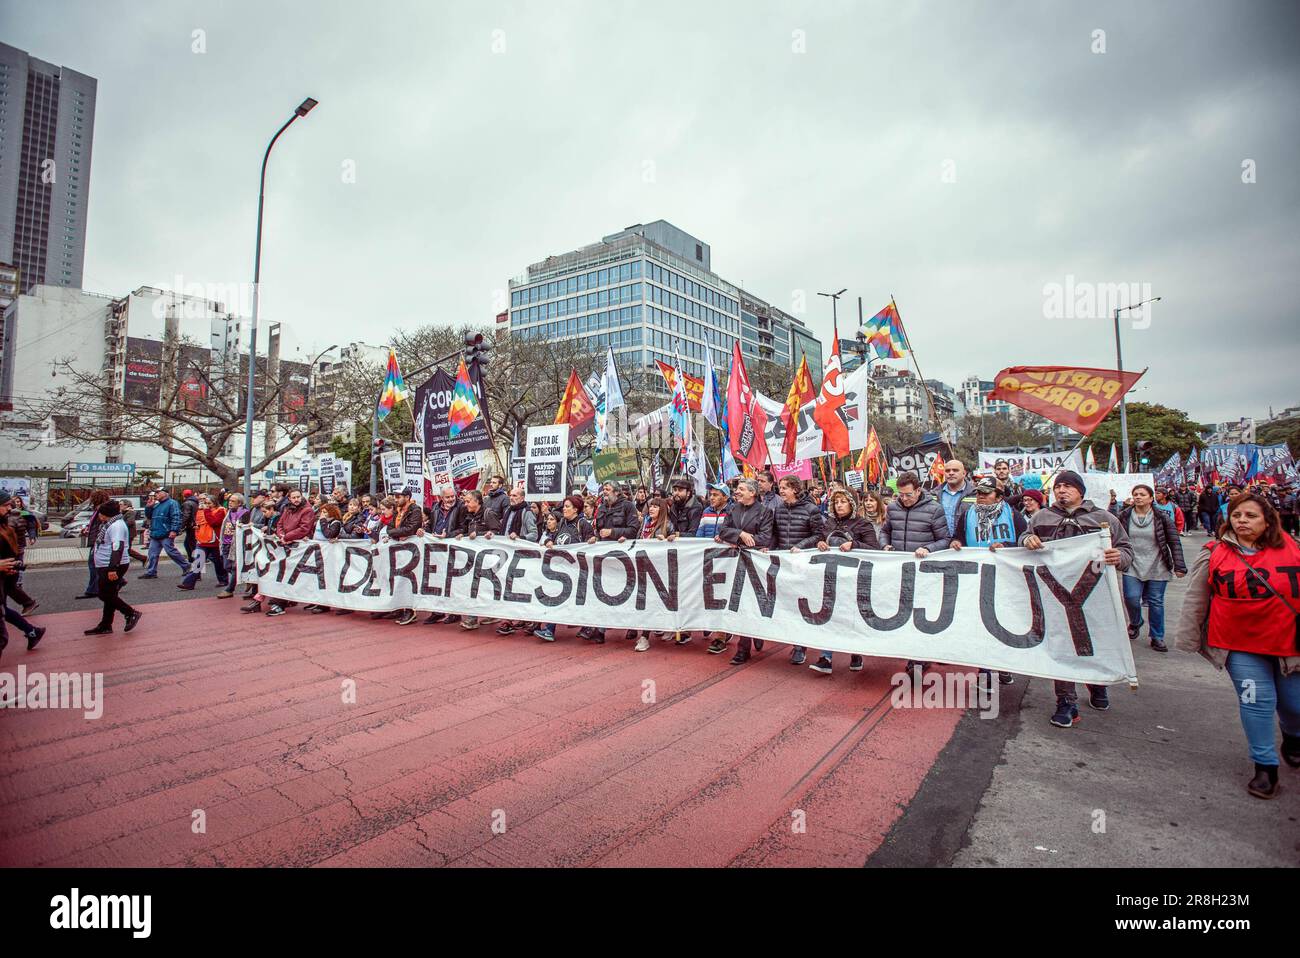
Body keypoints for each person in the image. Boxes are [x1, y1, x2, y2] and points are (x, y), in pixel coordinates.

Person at [1173, 492, 1300, 799]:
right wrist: (1189, 637)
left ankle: (1293, 736)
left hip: (1289, 643)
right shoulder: (1214, 551)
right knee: (1256, 701)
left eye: (1251, 516)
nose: (1242, 521)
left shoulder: (1293, 550)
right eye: (1237, 515)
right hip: (1237, 643)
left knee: (1293, 704)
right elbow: (1196, 597)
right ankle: (1265, 766)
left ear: (1268, 520)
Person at [1021, 470, 1133, 727]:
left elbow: (1126, 549)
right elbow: (1024, 537)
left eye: (1068, 486)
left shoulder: (1104, 518)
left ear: (1080, 491)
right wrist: (1028, 539)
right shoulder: (1042, 517)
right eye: (1058, 486)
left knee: (1093, 643)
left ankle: (1097, 684)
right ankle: (1066, 702)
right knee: (1061, 646)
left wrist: (1120, 558)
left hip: (1094, 595)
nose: (1062, 491)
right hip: (1056, 595)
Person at [950, 478, 1026, 687]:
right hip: (978, 578)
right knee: (982, 625)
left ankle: (1004, 667)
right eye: (979, 492)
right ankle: (985, 672)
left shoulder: (1013, 515)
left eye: (986, 492)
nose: (981, 496)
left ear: (999, 496)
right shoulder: (967, 515)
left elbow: (1025, 541)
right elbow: (958, 538)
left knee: (1004, 624)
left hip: (1006, 578)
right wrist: (955, 542)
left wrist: (1007, 545)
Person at [880, 472, 951, 677]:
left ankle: (918, 659)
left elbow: (945, 539)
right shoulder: (893, 508)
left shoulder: (934, 510)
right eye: (901, 495)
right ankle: (911, 653)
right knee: (902, 612)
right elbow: (885, 530)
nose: (904, 498)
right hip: (898, 570)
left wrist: (928, 548)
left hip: (924, 572)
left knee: (921, 615)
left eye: (908, 494)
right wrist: (885, 544)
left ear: (918, 490)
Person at [1112, 484, 1186, 652]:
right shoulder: (1124, 516)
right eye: (1135, 494)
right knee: (1131, 598)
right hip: (1132, 564)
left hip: (1157, 564)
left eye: (1142, 494)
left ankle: (1157, 636)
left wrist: (1179, 565)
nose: (1138, 497)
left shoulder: (1162, 517)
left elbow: (1174, 541)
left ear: (1151, 498)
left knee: (1156, 602)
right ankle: (1136, 622)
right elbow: (1112, 535)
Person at [812, 489, 880, 673]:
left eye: (843, 501)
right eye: (836, 502)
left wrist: (854, 545)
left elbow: (875, 548)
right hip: (830, 577)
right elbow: (819, 539)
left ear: (851, 503)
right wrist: (820, 543)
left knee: (851, 616)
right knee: (827, 614)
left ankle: (855, 653)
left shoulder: (862, 524)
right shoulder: (829, 523)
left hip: (853, 579)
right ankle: (826, 657)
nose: (839, 505)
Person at [770, 477, 828, 669]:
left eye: (785, 488)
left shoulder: (811, 509)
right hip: (784, 562)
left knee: (804, 604)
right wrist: (769, 549)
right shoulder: (778, 509)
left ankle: (801, 646)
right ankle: (797, 643)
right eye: (780, 488)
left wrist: (800, 546)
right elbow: (775, 534)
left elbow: (819, 535)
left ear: (795, 489)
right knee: (788, 604)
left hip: (804, 563)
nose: (781, 491)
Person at [720, 478, 775, 665]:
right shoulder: (733, 509)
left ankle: (756, 633)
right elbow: (723, 530)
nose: (737, 492)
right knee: (741, 604)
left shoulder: (765, 512)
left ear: (752, 493)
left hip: (755, 564)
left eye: (741, 489)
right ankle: (743, 649)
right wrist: (740, 534)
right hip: (735, 562)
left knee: (754, 603)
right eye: (737, 489)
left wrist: (736, 539)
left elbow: (765, 538)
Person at [576, 482, 639, 644]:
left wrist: (613, 532)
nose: (604, 492)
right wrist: (595, 537)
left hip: (623, 556)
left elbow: (633, 529)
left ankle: (633, 624)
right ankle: (600, 629)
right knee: (602, 590)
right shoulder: (602, 507)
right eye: (603, 489)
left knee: (625, 591)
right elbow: (598, 529)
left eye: (607, 490)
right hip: (604, 555)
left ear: (616, 492)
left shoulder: (628, 507)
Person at [533, 496, 593, 642]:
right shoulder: (562, 523)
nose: (564, 509)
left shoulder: (583, 524)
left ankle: (589, 626)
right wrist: (548, 541)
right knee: (556, 596)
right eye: (564, 506)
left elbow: (592, 542)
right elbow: (553, 537)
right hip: (561, 569)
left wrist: (592, 541)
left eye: (567, 506)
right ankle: (549, 629)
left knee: (579, 599)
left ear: (575, 509)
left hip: (578, 569)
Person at [83, 501, 143, 636]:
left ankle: (130, 613)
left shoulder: (116, 526)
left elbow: (118, 547)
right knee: (110, 594)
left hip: (112, 564)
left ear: (106, 514)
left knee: (104, 594)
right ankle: (106, 624)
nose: (99, 516)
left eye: (101, 513)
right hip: (105, 564)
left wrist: (112, 568)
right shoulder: (110, 524)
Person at [0, 493, 44, 657]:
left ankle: (31, 629)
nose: (10, 507)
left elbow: (28, 529)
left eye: (13, 504)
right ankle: (32, 630)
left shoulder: (13, 519)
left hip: (11, 562)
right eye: (7, 505)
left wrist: (9, 565)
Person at [264, 487, 316, 618]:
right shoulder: (287, 509)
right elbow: (280, 523)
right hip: (286, 544)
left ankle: (280, 602)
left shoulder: (307, 510)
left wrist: (287, 537)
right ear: (289, 498)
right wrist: (282, 535)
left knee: (289, 574)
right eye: (294, 497)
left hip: (298, 546)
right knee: (284, 573)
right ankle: (282, 600)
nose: (296, 499)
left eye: (298, 497)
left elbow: (304, 528)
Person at [451, 489, 496, 630]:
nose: (465, 504)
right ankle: (474, 617)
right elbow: (464, 531)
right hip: (474, 559)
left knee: (482, 587)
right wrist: (460, 535)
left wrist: (481, 534)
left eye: (468, 501)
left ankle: (480, 616)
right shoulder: (469, 516)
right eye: (465, 501)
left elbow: (498, 532)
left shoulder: (489, 514)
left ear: (477, 501)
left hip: (488, 559)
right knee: (474, 587)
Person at [141, 488, 187, 579]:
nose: (156, 494)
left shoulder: (172, 503)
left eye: (158, 492)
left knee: (171, 551)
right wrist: (149, 507)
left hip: (166, 532)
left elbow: (176, 517)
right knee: (152, 553)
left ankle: (186, 566)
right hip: (156, 532)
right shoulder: (157, 505)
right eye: (156, 493)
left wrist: (174, 530)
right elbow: (149, 516)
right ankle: (151, 571)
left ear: (165, 493)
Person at [215, 493, 247, 599]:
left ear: (240, 503)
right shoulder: (229, 512)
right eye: (230, 500)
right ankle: (247, 579)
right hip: (225, 543)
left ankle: (229, 589)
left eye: (233, 501)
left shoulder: (244, 513)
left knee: (234, 567)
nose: (230, 503)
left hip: (236, 544)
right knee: (226, 566)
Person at [936, 459, 977, 539]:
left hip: (965, 545)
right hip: (940, 544)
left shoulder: (976, 494)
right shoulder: (933, 495)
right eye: (947, 471)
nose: (951, 473)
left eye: (955, 470)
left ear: (964, 473)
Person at [179, 488, 200, 559]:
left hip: (190, 526)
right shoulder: (195, 502)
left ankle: (195, 558)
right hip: (194, 524)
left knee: (190, 543)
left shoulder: (187, 503)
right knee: (189, 543)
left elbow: (186, 515)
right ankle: (192, 558)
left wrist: (181, 526)